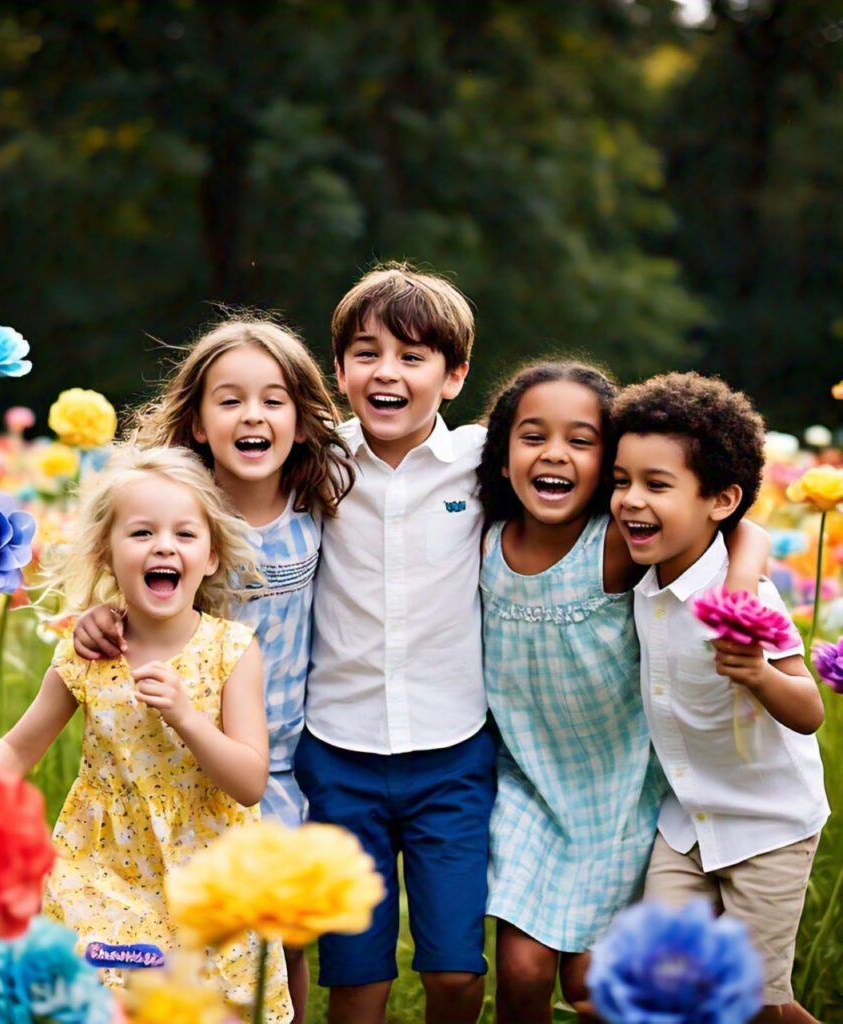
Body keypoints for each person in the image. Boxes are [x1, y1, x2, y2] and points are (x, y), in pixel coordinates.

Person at [71, 316, 353, 1022]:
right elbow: (132, 577)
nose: (251, 415)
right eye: (229, 400)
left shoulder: (317, 504)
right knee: (181, 933)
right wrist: (96, 617)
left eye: (273, 399)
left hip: (279, 759)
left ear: (300, 418)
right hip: (182, 753)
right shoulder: (181, 512)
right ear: (196, 422)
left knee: (280, 934)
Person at [475, 360, 770, 1024]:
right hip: (527, 784)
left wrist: (742, 583)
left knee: (594, 987)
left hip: (622, 788)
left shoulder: (613, 543)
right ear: (501, 456)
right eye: (533, 436)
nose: (555, 453)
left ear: (608, 464)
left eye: (581, 440)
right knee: (520, 972)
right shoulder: (483, 540)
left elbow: (739, 524)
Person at [0, 444, 291, 1022]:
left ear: (213, 556)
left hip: (209, 876)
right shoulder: (84, 655)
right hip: (102, 869)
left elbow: (250, 781)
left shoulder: (231, 651)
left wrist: (188, 718)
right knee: (103, 1003)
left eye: (184, 534)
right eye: (142, 533)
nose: (164, 546)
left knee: (206, 1008)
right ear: (106, 553)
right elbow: (22, 746)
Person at [292, 264, 496, 1024]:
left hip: (453, 752)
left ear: (453, 376)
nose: (388, 372)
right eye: (368, 352)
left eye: (414, 357)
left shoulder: (484, 464)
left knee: (452, 972)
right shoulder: (311, 462)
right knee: (357, 979)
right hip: (337, 749)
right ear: (339, 367)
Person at [610, 371, 828, 1024]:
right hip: (687, 824)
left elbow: (809, 710)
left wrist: (759, 674)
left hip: (768, 826)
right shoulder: (639, 571)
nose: (629, 501)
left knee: (757, 1004)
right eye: (621, 481)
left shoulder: (744, 603)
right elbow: (746, 534)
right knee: (661, 977)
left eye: (656, 485)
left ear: (721, 500)